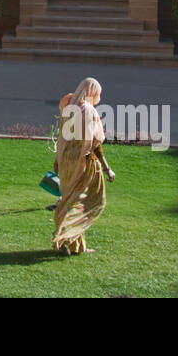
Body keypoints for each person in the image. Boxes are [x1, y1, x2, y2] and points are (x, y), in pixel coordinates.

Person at [51, 77, 115, 255]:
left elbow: (63, 138)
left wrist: (57, 160)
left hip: (66, 161)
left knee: (69, 198)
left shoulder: (69, 107)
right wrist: (107, 167)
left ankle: (76, 245)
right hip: (84, 162)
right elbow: (94, 143)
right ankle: (65, 236)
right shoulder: (88, 111)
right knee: (89, 201)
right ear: (93, 92)